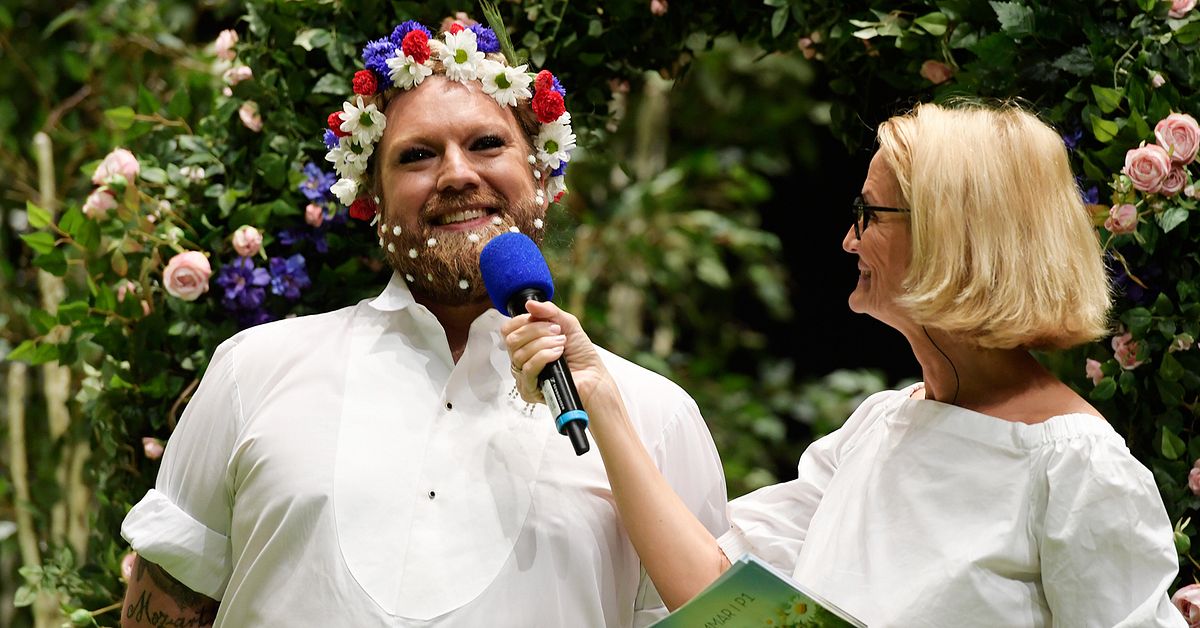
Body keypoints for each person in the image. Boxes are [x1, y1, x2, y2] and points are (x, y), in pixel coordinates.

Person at [118, 18, 728, 628]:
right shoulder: (252, 369)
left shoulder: (655, 416)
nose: (458, 174)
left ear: (543, 176)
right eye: (417, 155)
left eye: (488, 144)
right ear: (372, 199)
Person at [504, 101, 1187, 626]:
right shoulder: (881, 426)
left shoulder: (1073, 464)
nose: (847, 238)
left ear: (954, 235)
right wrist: (600, 396)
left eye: (869, 213)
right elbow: (720, 590)